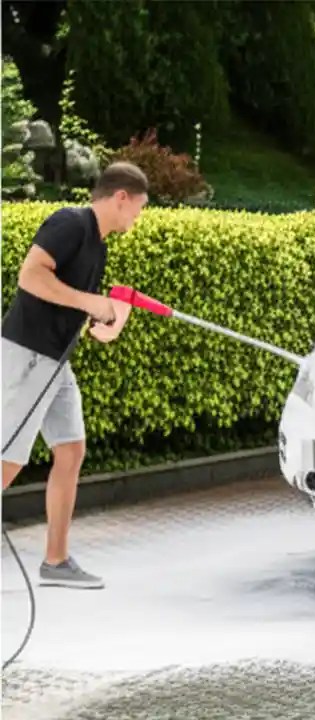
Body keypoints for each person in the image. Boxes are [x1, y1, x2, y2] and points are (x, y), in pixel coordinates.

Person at [1, 162, 149, 589]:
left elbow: (74, 305)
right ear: (120, 197)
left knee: (71, 450)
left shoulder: (98, 245)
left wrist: (101, 318)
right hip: (27, 355)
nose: (136, 219)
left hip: (55, 362)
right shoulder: (70, 223)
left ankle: (56, 561)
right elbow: (30, 276)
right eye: (137, 209)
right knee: (7, 462)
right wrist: (89, 301)